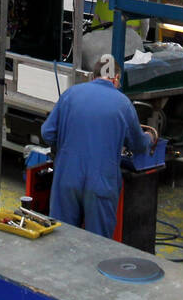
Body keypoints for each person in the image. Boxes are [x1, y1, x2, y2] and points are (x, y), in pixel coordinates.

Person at [41, 55, 152, 237]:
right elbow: (138, 145)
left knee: (61, 240)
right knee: (97, 244)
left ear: (93, 76)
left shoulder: (71, 94)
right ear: (116, 79)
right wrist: (149, 137)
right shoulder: (123, 103)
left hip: (67, 178)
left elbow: (47, 133)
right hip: (101, 182)